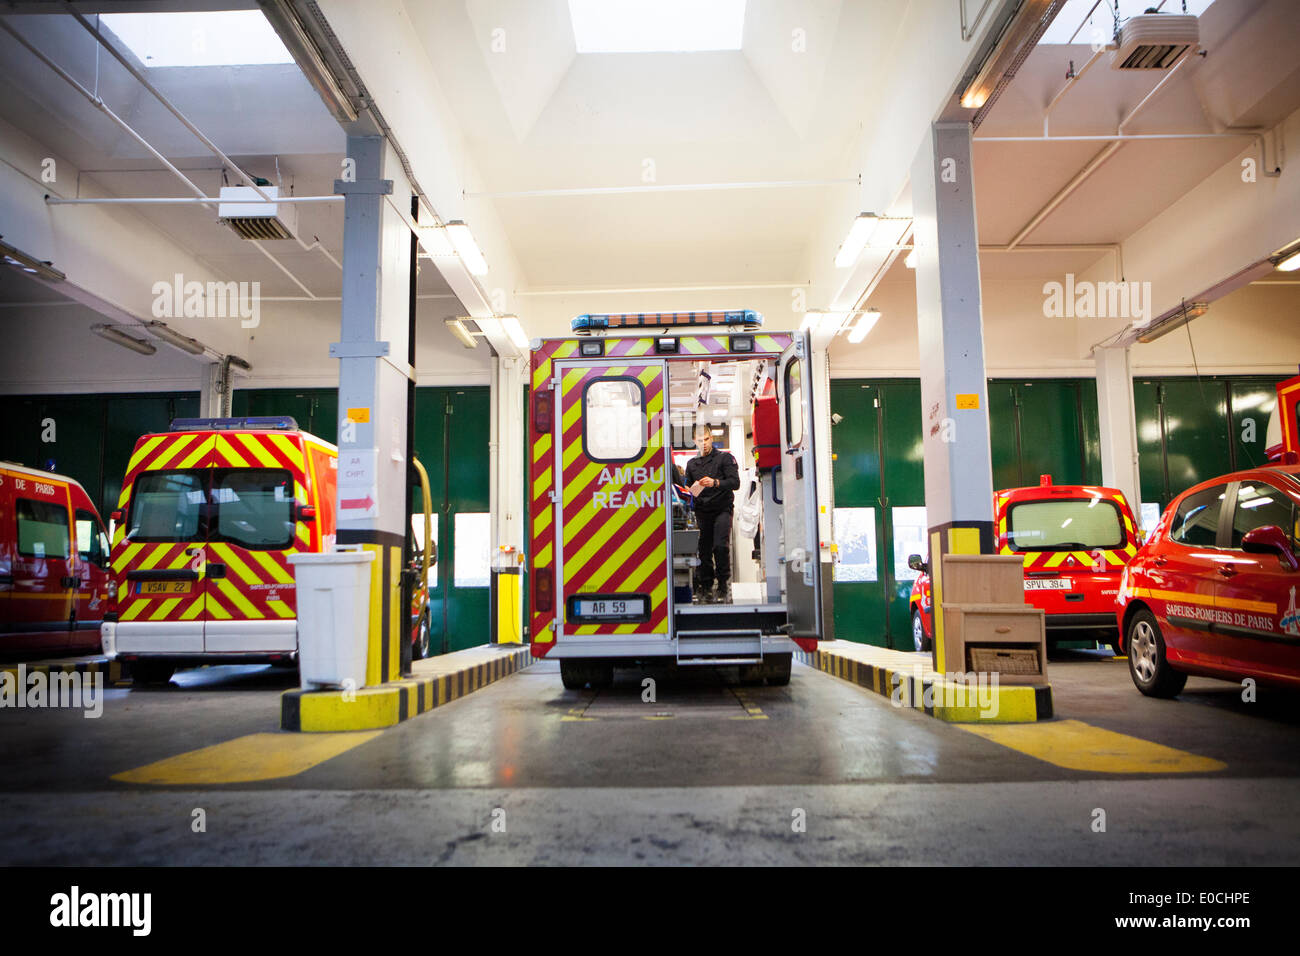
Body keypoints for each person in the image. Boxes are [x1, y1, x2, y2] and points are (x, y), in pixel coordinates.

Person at [684, 422, 740, 603]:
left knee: (720, 546)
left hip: (722, 509)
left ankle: (723, 585)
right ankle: (706, 586)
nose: (704, 443)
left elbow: (735, 483)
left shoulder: (725, 459)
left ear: (712, 438)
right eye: (700, 440)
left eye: (707, 439)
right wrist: (688, 490)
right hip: (702, 511)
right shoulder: (691, 464)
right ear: (694, 441)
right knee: (704, 550)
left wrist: (715, 482)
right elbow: (689, 491)